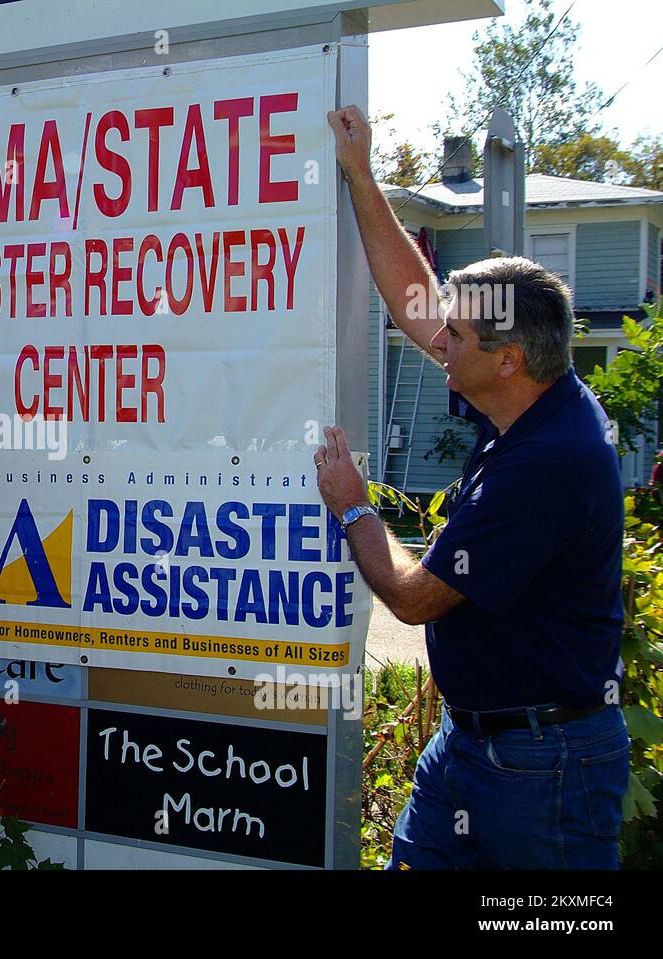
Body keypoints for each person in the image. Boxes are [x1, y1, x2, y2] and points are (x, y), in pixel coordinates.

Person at [317, 105, 629, 869]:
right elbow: (415, 299)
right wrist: (362, 173)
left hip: (545, 768)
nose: (435, 343)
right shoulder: (527, 394)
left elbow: (415, 596)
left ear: (510, 358)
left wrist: (354, 504)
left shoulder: (546, 466)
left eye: (454, 339)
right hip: (474, 742)